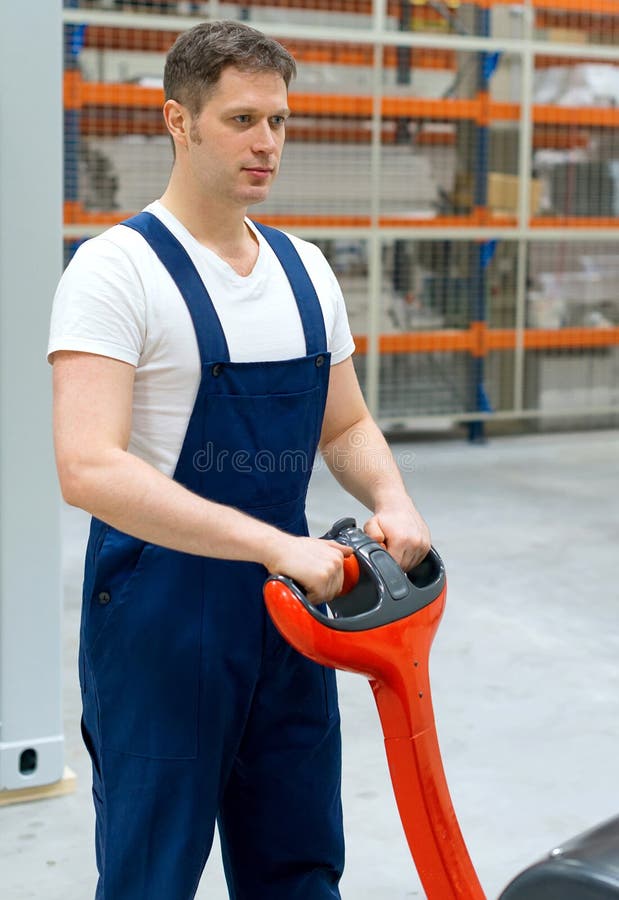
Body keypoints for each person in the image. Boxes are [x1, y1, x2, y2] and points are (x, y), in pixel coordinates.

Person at [49, 20, 431, 900]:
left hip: (294, 613)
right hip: (162, 621)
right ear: (178, 121)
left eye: (280, 122)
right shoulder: (115, 272)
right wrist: (272, 545)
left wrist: (391, 496)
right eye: (242, 120)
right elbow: (89, 469)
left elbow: (344, 426)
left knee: (297, 862)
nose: (266, 144)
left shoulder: (305, 271)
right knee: (152, 872)